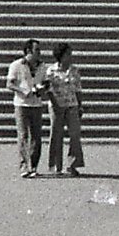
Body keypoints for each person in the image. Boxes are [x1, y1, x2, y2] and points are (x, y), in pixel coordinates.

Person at [4, 39, 48, 178]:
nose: (39, 53)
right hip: (21, 104)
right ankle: (24, 166)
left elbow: (46, 83)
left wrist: (43, 90)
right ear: (28, 51)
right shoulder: (16, 65)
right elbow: (9, 84)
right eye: (37, 50)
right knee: (23, 135)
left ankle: (33, 166)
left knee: (36, 137)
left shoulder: (43, 66)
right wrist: (22, 91)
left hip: (36, 104)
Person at [41, 41, 84, 176]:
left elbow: (78, 88)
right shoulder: (51, 70)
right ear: (61, 56)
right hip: (56, 106)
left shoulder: (74, 70)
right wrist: (54, 103)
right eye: (67, 54)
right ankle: (55, 166)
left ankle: (72, 165)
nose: (70, 57)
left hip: (72, 105)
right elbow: (48, 89)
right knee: (56, 135)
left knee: (75, 135)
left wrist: (80, 105)